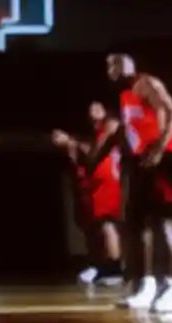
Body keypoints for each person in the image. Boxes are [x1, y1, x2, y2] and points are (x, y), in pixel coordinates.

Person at [95, 53, 172, 313]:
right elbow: (132, 129)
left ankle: (167, 287)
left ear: (130, 65)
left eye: (116, 64)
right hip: (139, 161)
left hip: (162, 157)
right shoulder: (125, 96)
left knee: (160, 221)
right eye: (108, 65)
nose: (111, 69)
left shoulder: (147, 84)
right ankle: (144, 286)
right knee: (134, 225)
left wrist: (159, 147)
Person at [52, 101, 124, 287]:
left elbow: (94, 153)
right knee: (94, 225)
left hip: (106, 180)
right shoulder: (92, 133)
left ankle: (114, 268)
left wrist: (70, 142)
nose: (94, 109)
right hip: (94, 181)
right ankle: (100, 265)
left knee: (107, 223)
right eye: (91, 107)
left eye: (99, 107)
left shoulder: (110, 125)